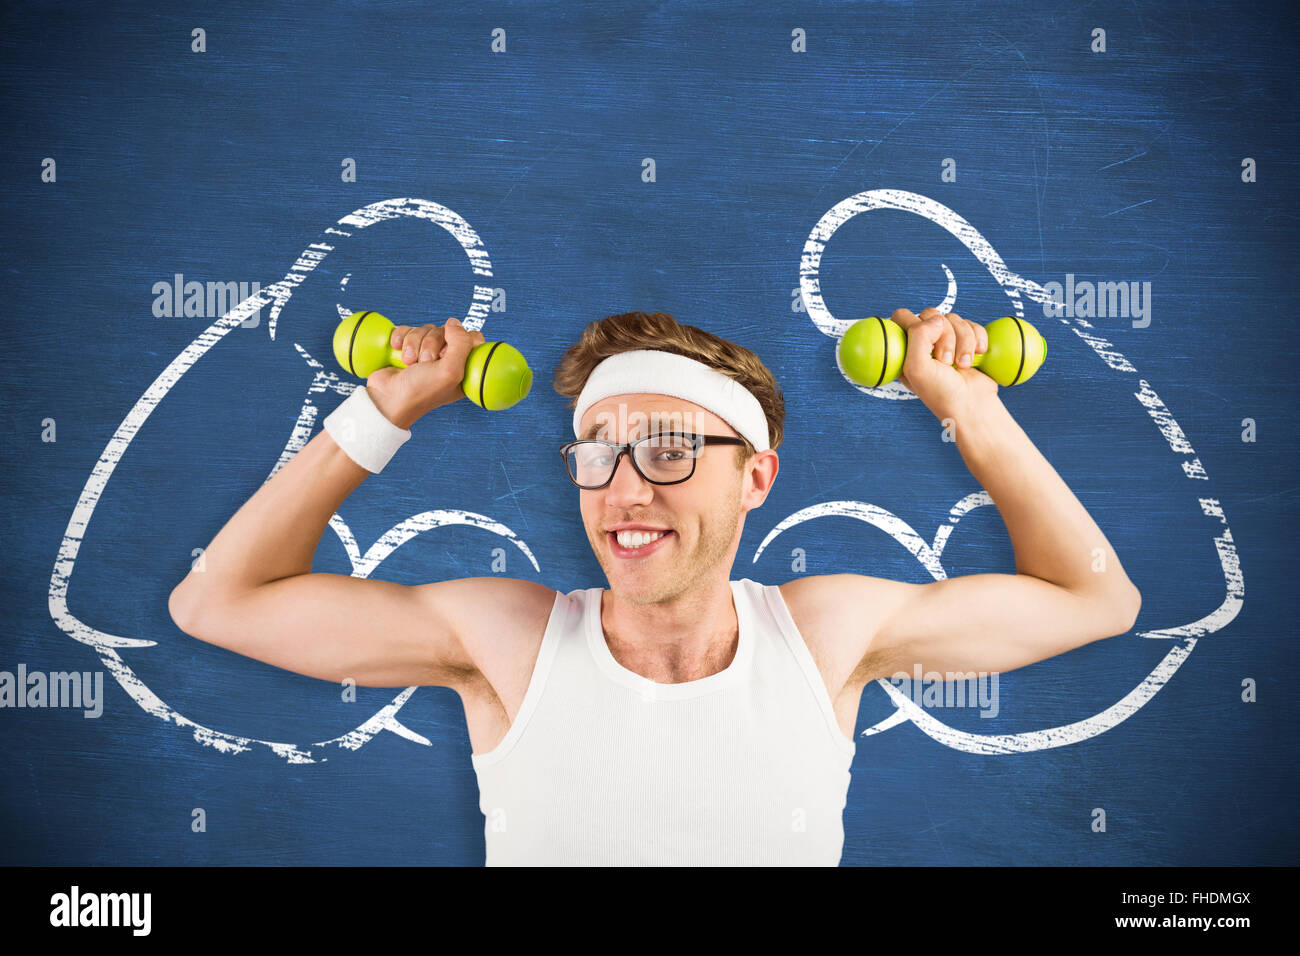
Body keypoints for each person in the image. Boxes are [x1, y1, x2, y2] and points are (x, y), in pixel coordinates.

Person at [168, 308, 1140, 866]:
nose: (625, 487)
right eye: (597, 451)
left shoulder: (825, 634)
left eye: (670, 449)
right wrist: (386, 405)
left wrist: (968, 404)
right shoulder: (507, 641)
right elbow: (217, 599)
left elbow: (1097, 597)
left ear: (755, 474)